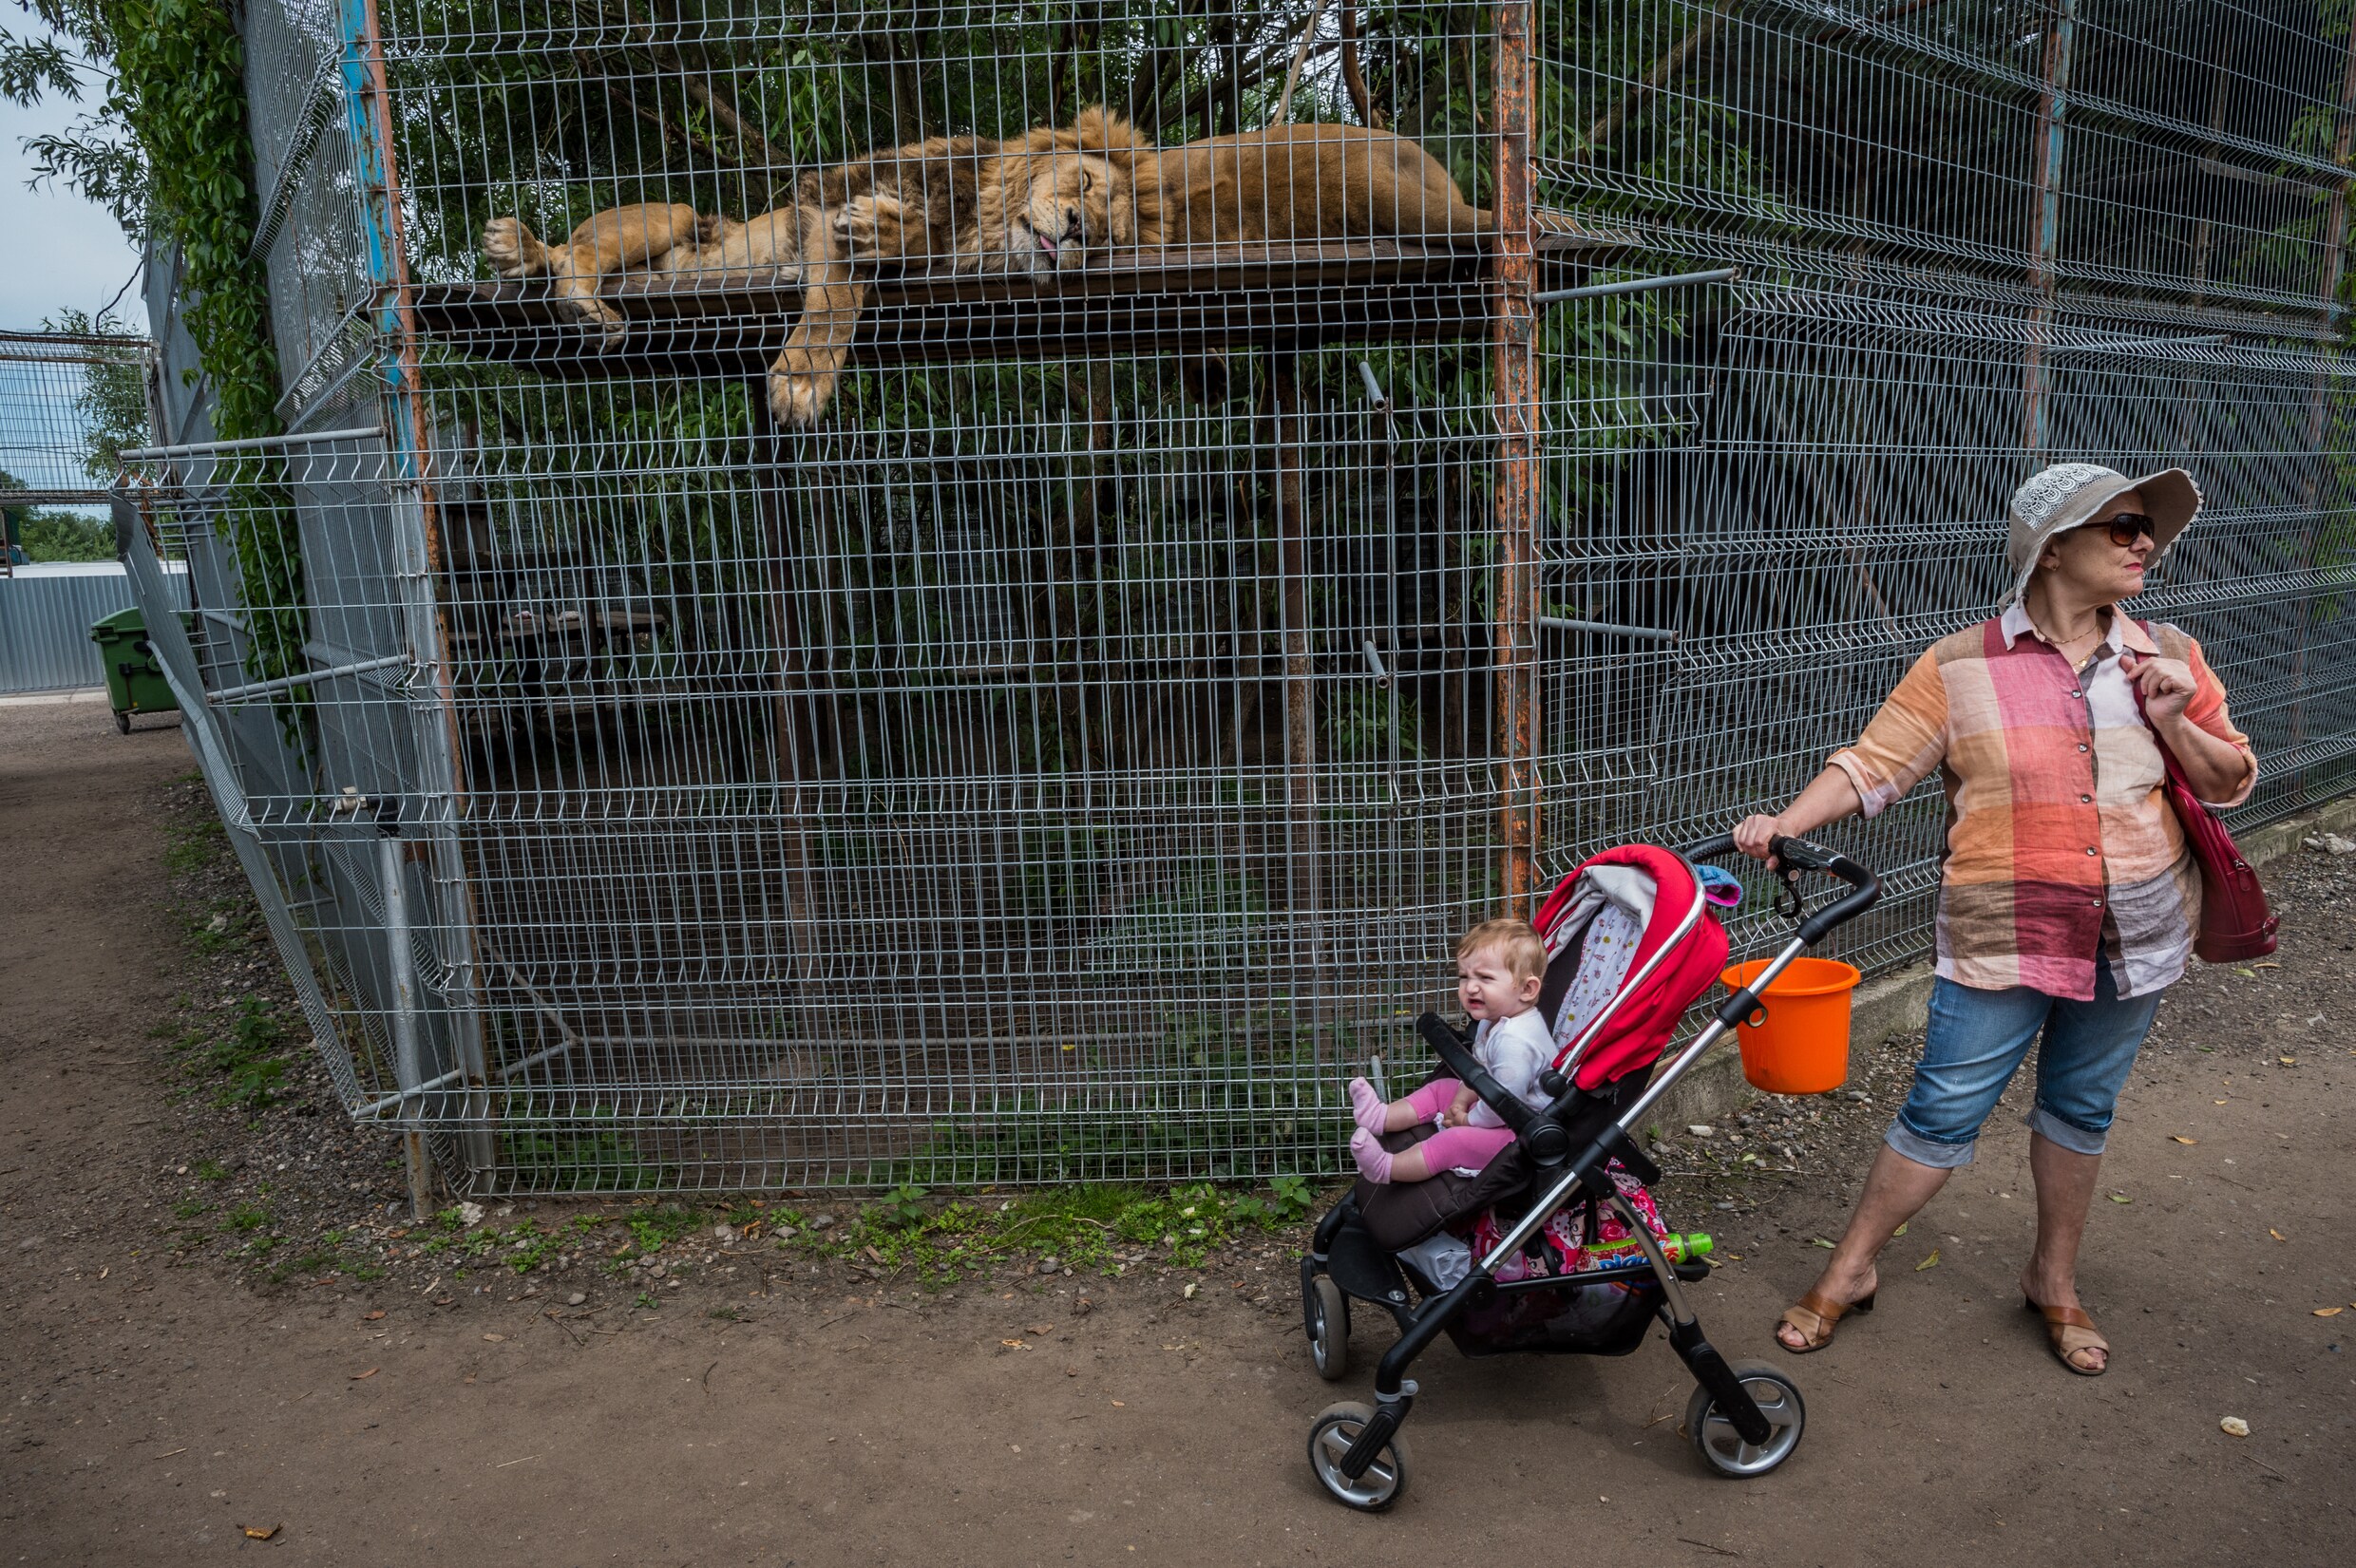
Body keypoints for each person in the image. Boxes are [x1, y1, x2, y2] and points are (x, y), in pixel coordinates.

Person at [1736, 463, 2255, 1376]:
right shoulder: (1959, 663)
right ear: (2053, 549)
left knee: (2080, 1106)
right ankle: (1851, 1269)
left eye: (2148, 529)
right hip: (2000, 932)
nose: (2145, 543)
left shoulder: (2166, 649)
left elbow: (2228, 782)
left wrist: (2174, 720)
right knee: (1941, 1110)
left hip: (2136, 927)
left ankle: (2052, 1280)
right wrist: (1785, 823)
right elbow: (1873, 765)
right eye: (2123, 525)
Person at [1345, 918, 1558, 1184]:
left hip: (1521, 1131)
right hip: (1494, 1106)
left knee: (1454, 1140)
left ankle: (1386, 1167)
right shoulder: (1493, 1021)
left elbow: (1504, 1104)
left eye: (1485, 978)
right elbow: (1481, 1072)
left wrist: (1467, 1121)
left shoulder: (1516, 1042)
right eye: (1464, 976)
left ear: (1527, 989)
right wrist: (1459, 1100)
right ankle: (1381, 1116)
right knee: (1442, 1088)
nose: (1470, 987)